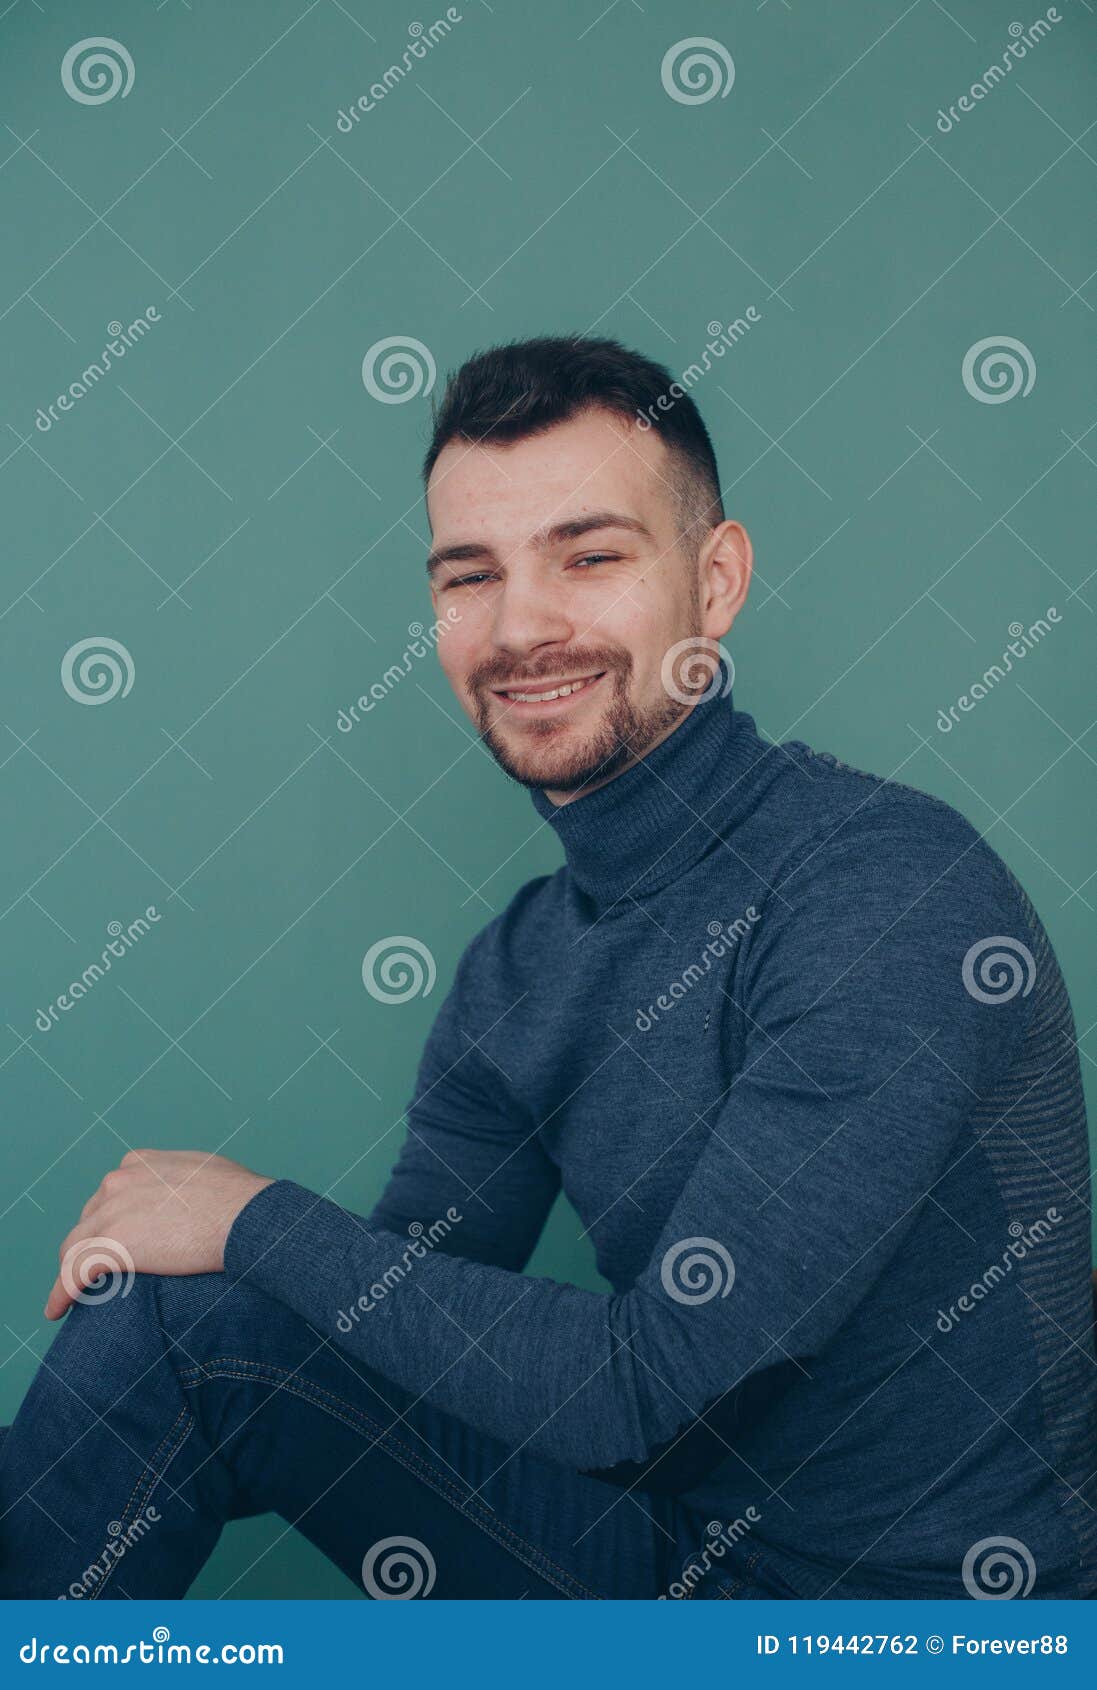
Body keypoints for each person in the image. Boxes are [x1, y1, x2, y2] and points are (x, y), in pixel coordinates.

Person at [2, 336, 1094, 1602]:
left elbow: (657, 1381)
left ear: (715, 580)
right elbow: (373, 1317)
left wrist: (246, 1217)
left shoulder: (886, 889)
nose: (521, 625)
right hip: (671, 1569)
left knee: (222, 1278)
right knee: (175, 1324)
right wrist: (209, 1266)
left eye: (589, 556)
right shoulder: (520, 962)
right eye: (470, 575)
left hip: (911, 1626)